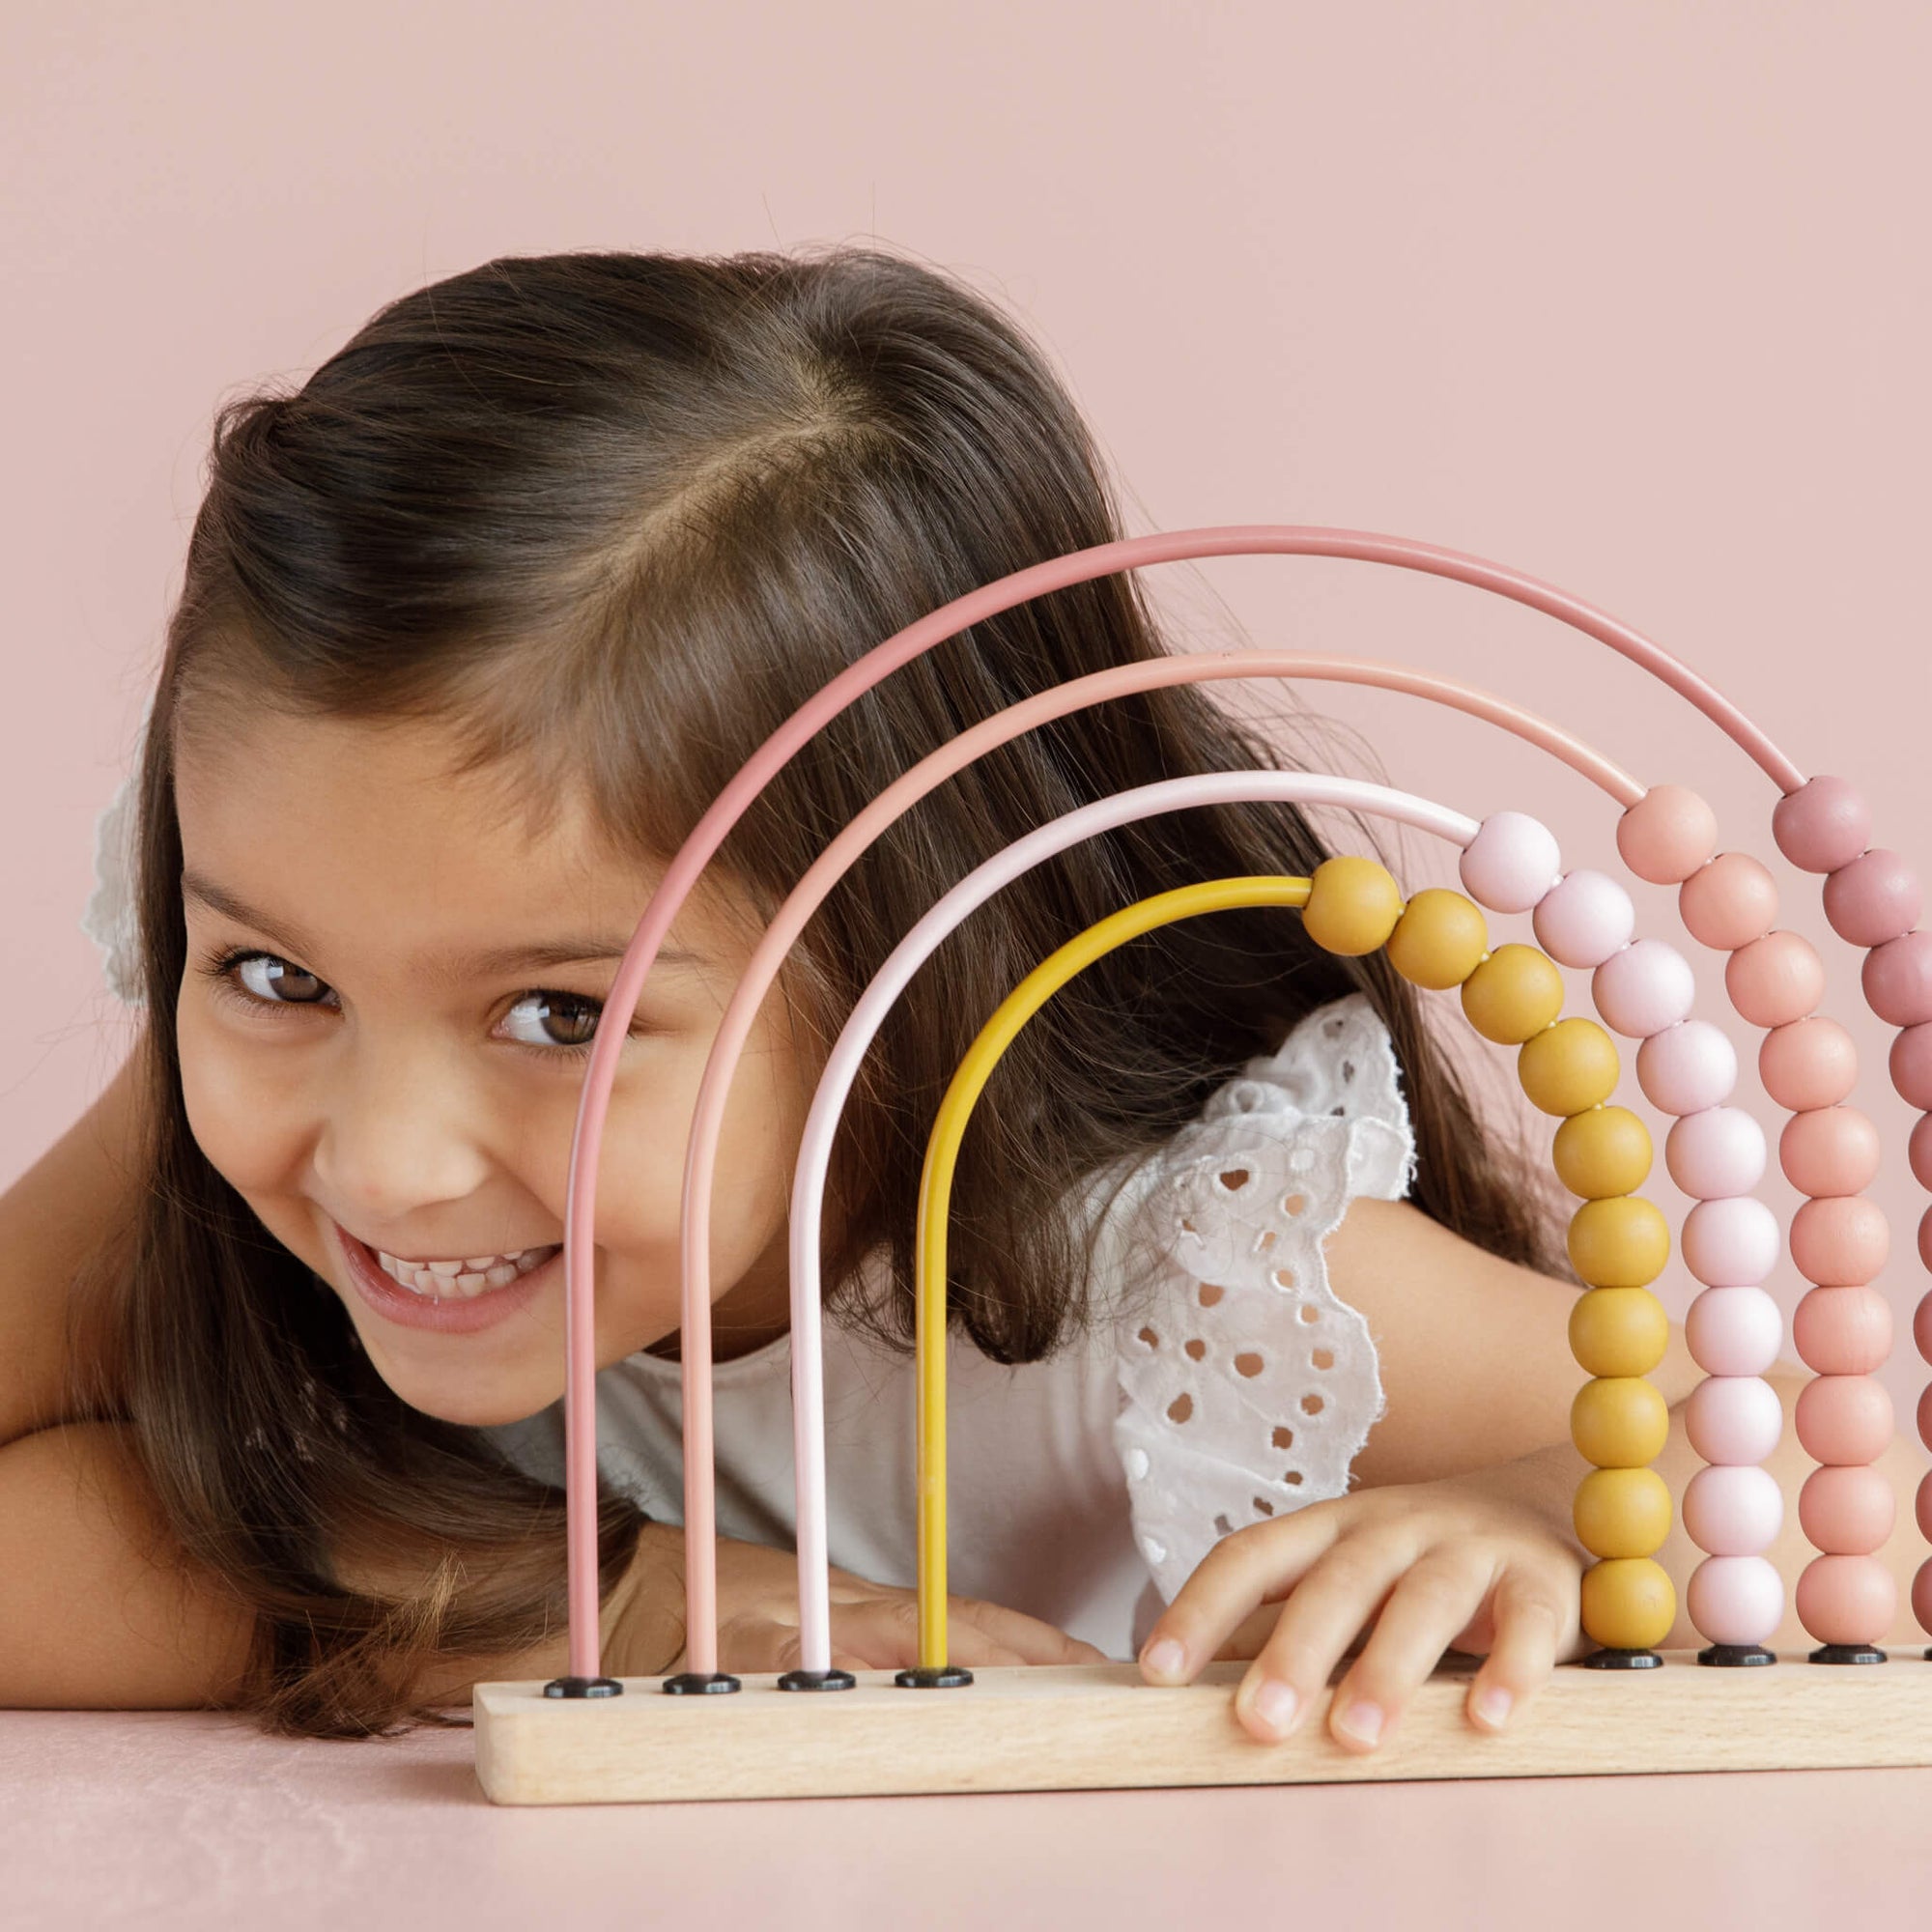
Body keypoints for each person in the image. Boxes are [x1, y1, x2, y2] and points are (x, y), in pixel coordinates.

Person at [1, 247, 1918, 1752]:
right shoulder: (285, 1080)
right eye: (273, 972)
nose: (388, 1159)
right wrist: (598, 1595)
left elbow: (1858, 1488)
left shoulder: (1179, 1276)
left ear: (917, 954)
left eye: (563, 1018)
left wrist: (1549, 1520)